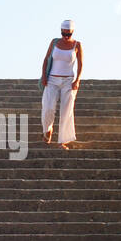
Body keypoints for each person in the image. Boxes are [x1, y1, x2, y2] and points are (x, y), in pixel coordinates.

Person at [41, 19, 82, 149]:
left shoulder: (77, 45)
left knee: (66, 111)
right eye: (63, 33)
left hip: (68, 81)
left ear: (72, 32)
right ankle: (47, 129)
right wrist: (43, 75)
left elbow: (81, 64)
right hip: (52, 79)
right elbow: (47, 59)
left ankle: (62, 141)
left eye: (68, 34)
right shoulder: (54, 42)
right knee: (48, 107)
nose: (65, 37)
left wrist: (77, 80)